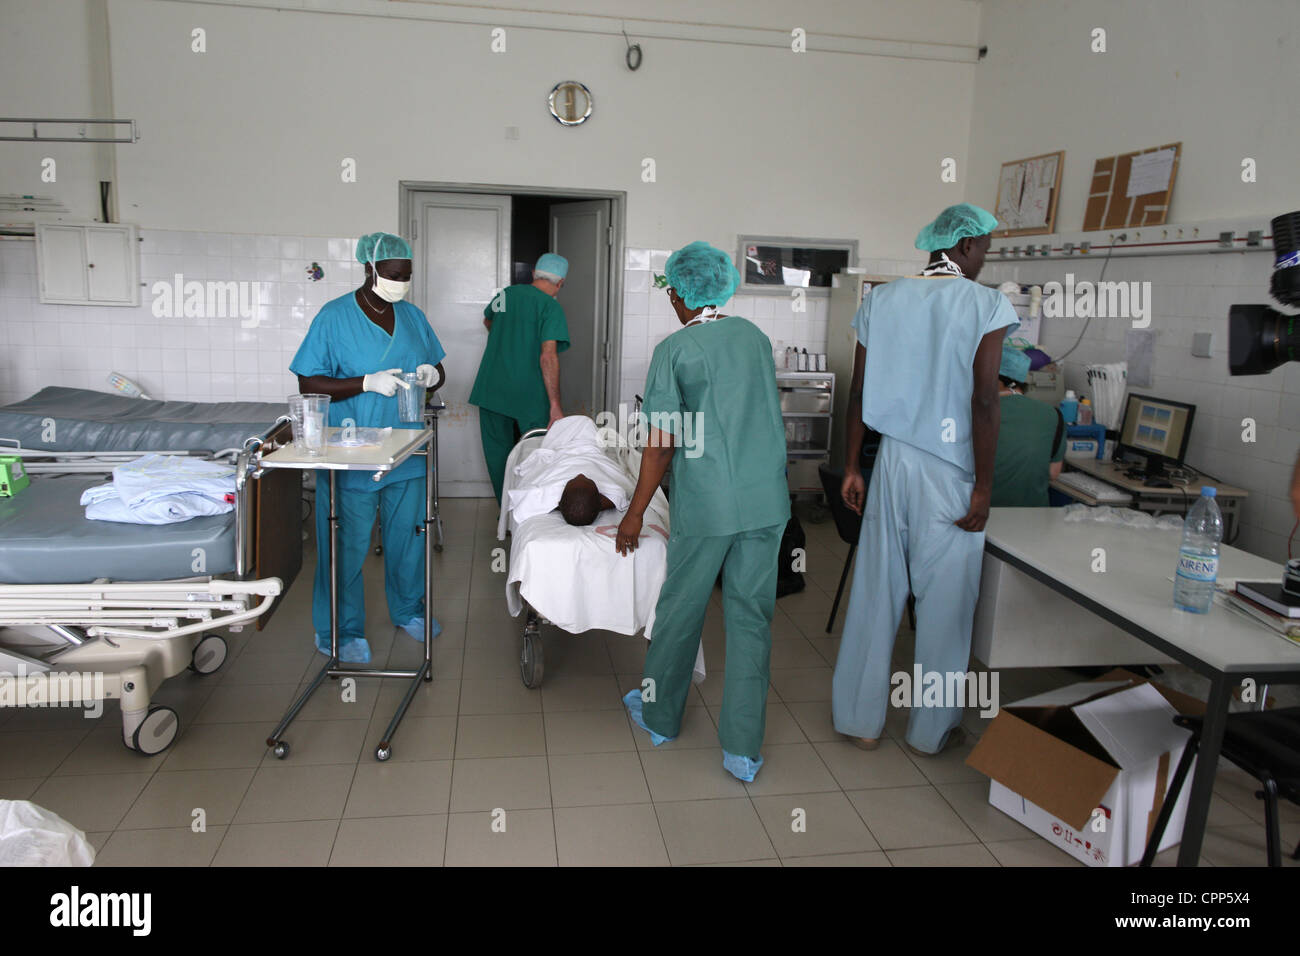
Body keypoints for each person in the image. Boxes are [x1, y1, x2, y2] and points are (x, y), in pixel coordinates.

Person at [833, 203, 1018, 756]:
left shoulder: (883, 299)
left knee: (876, 589)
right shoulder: (986, 304)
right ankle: (930, 731)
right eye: (984, 246)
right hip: (950, 465)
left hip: (891, 461)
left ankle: (859, 722)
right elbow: (985, 399)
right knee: (946, 606)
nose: (985, 257)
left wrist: (851, 466)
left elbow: (860, 393)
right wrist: (983, 487)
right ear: (964, 246)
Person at [615, 241, 789, 782]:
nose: (669, 301)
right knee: (751, 619)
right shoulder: (755, 338)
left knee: (682, 608)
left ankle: (660, 715)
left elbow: (661, 444)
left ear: (681, 293)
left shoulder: (675, 351)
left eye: (670, 291)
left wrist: (635, 511)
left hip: (709, 505)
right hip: (766, 501)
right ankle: (742, 749)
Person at [289, 232, 446, 664]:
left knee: (409, 540)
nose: (401, 283)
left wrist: (433, 375)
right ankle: (341, 629)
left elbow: (439, 369)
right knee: (346, 546)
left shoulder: (412, 317)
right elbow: (308, 382)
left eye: (407, 276)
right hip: (351, 452)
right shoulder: (333, 317)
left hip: (408, 448)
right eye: (394, 275)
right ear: (370, 270)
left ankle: (409, 610)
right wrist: (365, 383)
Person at [469, 253, 571, 502]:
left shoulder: (506, 294)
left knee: (498, 456)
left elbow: (487, 319)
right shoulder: (550, 306)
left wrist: (506, 338)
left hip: (492, 388)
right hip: (530, 393)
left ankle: (505, 514)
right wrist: (556, 405)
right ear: (561, 283)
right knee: (537, 454)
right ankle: (528, 512)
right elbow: (548, 356)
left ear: (534, 273)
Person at [505, 415, 628, 526]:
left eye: (573, 479)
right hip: (590, 452)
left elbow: (527, 499)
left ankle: (571, 426)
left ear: (559, 499)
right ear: (601, 499)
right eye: (588, 479)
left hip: (564, 456)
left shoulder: (552, 494)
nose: (580, 474)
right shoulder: (610, 497)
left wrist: (560, 505)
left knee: (583, 425)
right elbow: (621, 493)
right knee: (587, 424)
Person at [991, 342, 1066, 507]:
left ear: (998, 379)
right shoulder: (1053, 415)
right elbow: (1053, 473)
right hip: (1034, 519)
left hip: (983, 515)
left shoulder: (974, 412)